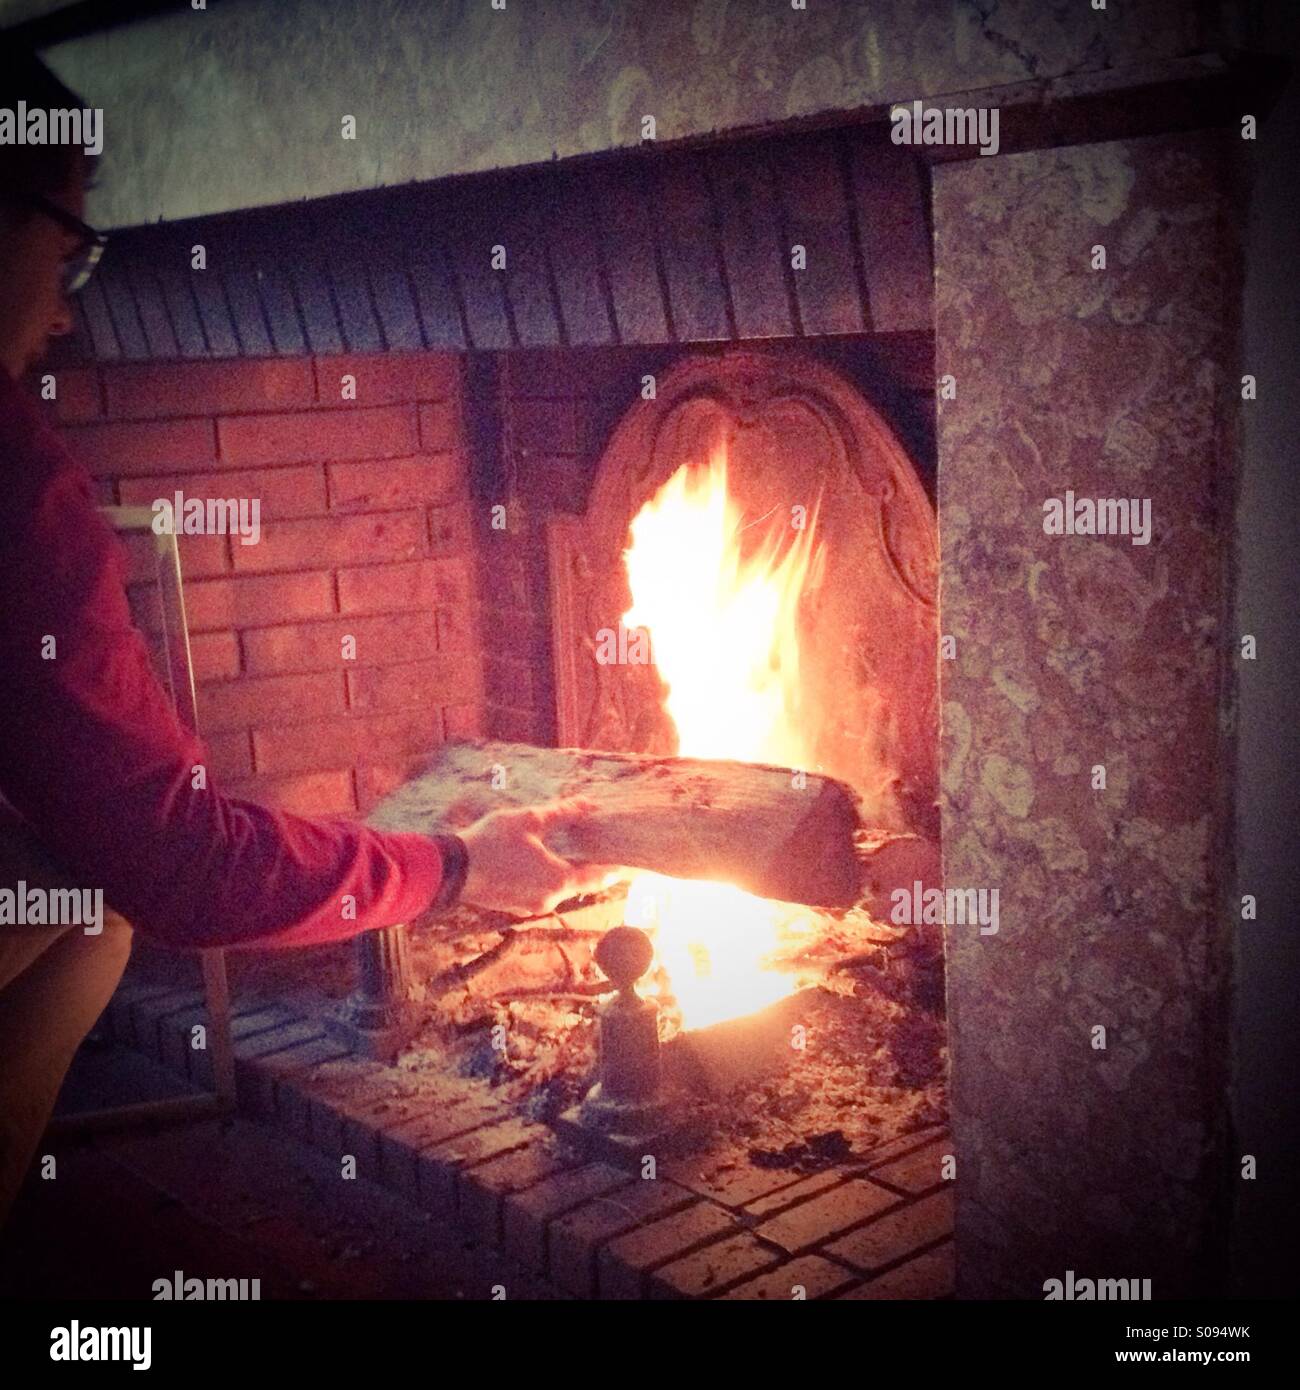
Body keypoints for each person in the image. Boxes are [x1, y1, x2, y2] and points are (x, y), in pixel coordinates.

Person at [0, 50, 603, 1224]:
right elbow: (177, 866)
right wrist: (457, 867)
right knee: (92, 899)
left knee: (76, 908)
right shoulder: (13, 482)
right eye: (66, 250)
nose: (68, 310)